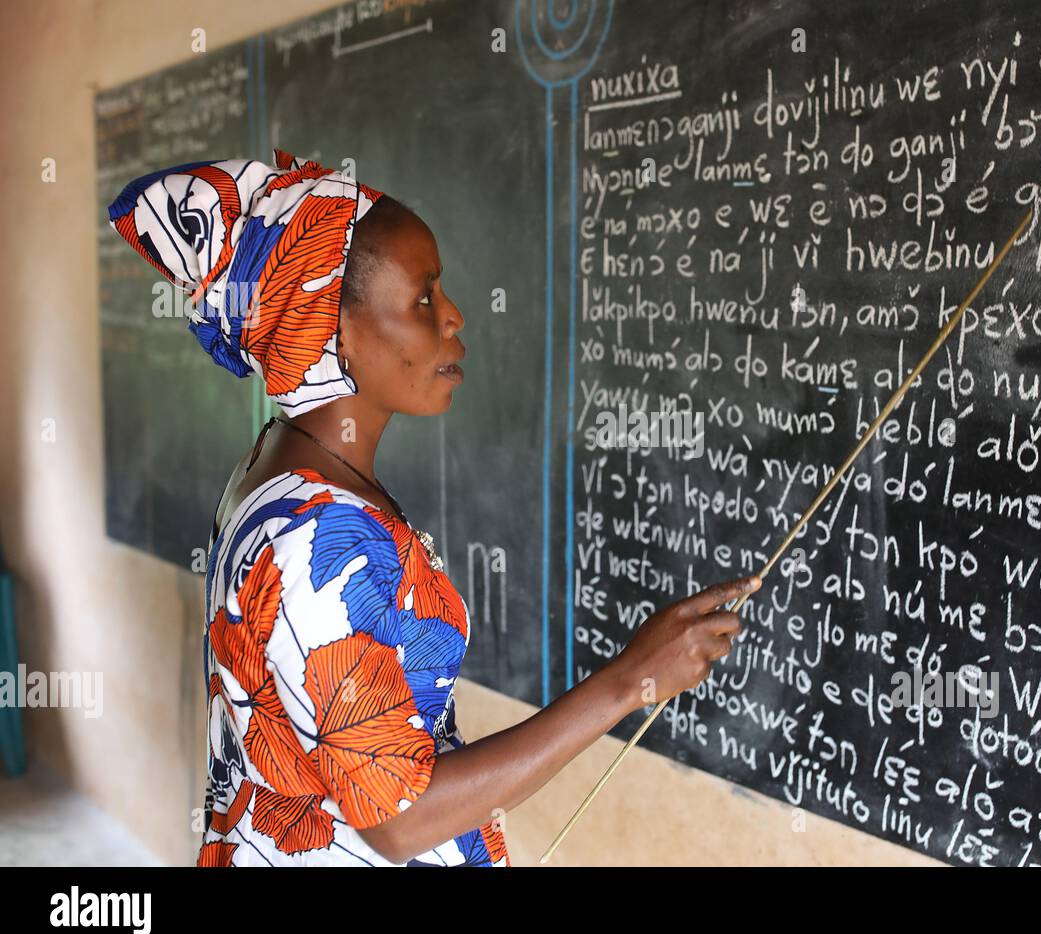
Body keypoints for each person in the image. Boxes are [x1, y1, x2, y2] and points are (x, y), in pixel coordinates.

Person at [107, 150, 760, 867]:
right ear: (339, 331)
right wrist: (627, 682)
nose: (454, 317)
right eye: (423, 298)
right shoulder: (317, 532)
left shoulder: (287, 466)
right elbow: (401, 820)